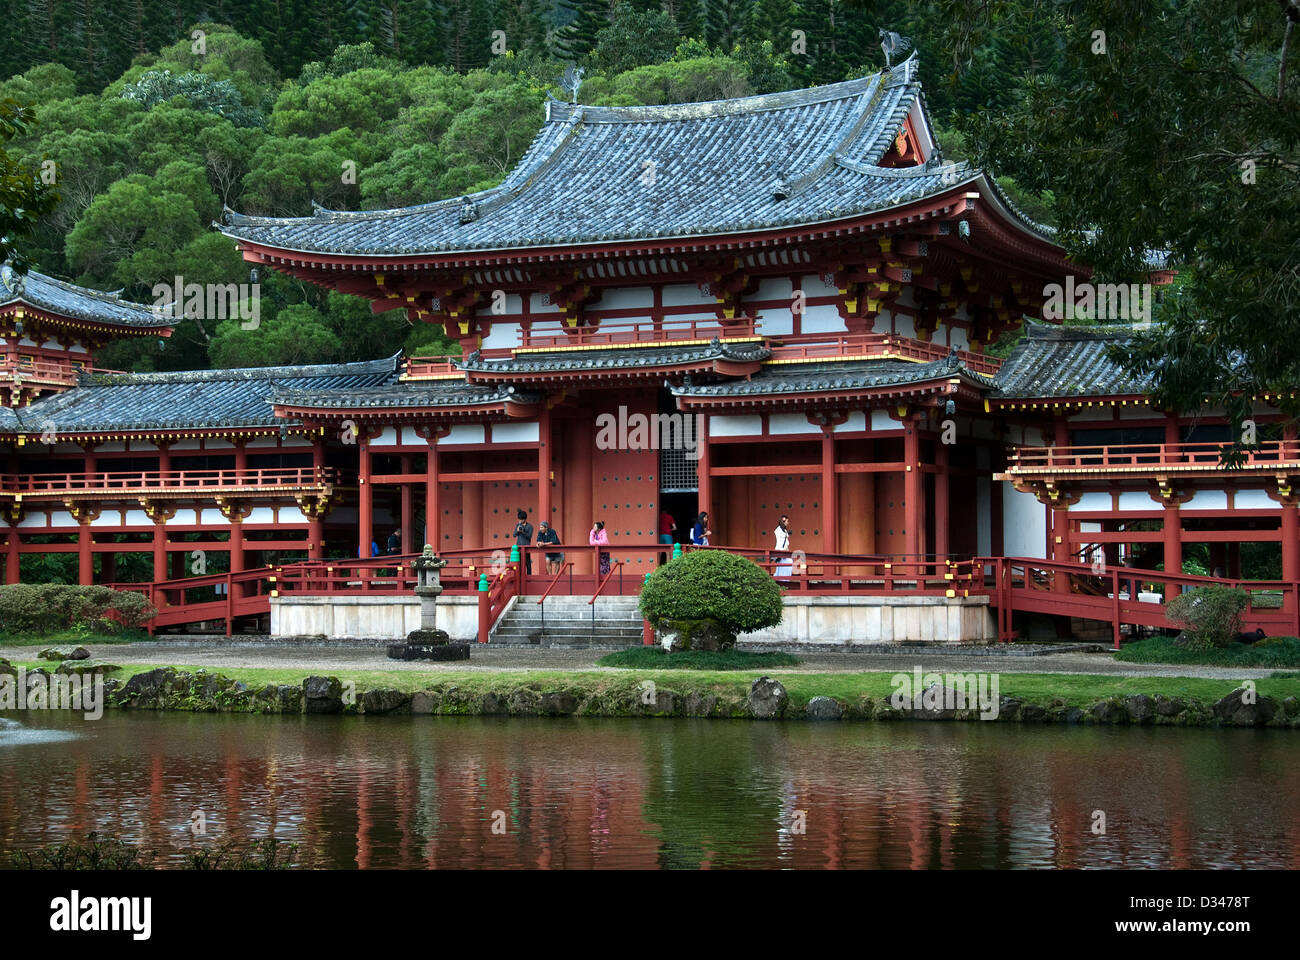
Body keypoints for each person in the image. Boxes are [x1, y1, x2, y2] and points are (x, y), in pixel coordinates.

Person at [512, 508, 534, 575]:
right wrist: (517, 531)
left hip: (526, 546)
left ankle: (529, 576)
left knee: (527, 563)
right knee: (520, 563)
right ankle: (520, 576)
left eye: (520, 519)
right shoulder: (518, 525)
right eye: (519, 519)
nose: (519, 520)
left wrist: (522, 532)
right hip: (519, 547)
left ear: (524, 519)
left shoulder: (530, 526)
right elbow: (514, 535)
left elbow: (529, 536)